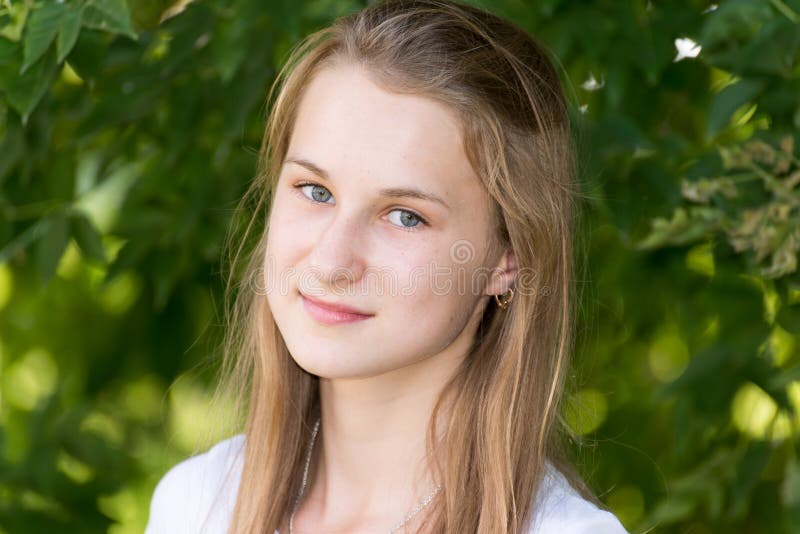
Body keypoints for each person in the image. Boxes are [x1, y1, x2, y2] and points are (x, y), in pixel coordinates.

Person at [145, 0, 629, 532]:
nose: (331, 262)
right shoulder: (196, 506)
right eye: (315, 190)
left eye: (404, 216)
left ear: (507, 258)